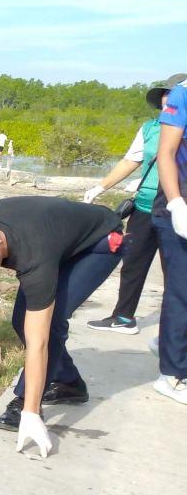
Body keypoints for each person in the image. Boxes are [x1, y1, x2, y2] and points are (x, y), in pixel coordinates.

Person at [0, 197, 124, 455]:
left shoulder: (34, 254)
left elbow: (38, 340)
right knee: (20, 320)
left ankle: (26, 400)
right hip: (58, 240)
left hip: (98, 244)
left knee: (47, 327)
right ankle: (69, 384)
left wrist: (30, 411)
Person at [84, 78, 176, 333]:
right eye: (167, 93)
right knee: (132, 263)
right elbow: (130, 161)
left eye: (177, 93)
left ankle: (175, 330)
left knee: (177, 272)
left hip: (178, 211)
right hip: (145, 207)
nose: (170, 98)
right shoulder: (149, 128)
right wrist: (101, 187)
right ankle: (123, 317)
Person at [152, 72, 187, 405]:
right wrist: (176, 202)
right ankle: (172, 374)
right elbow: (166, 153)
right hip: (179, 208)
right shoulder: (182, 95)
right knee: (182, 291)